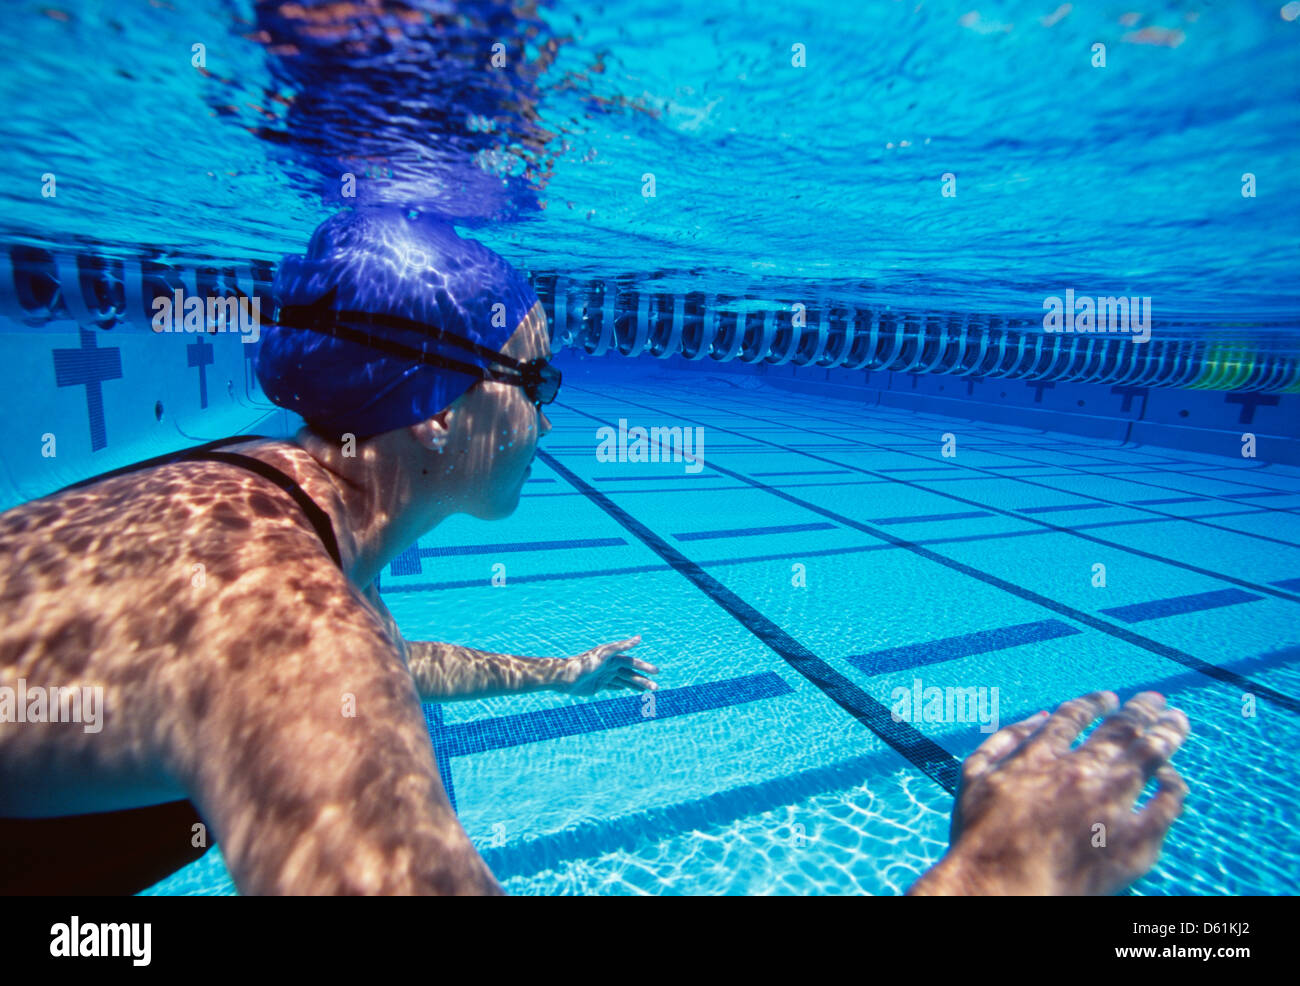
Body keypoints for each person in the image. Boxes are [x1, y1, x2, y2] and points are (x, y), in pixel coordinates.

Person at [0, 207, 1188, 895]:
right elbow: (308, 677)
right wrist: (1000, 874)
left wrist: (557, 674)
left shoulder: (238, 503)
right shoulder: (292, 627)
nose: (553, 417)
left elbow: (346, 672)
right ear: (439, 409)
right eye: (537, 379)